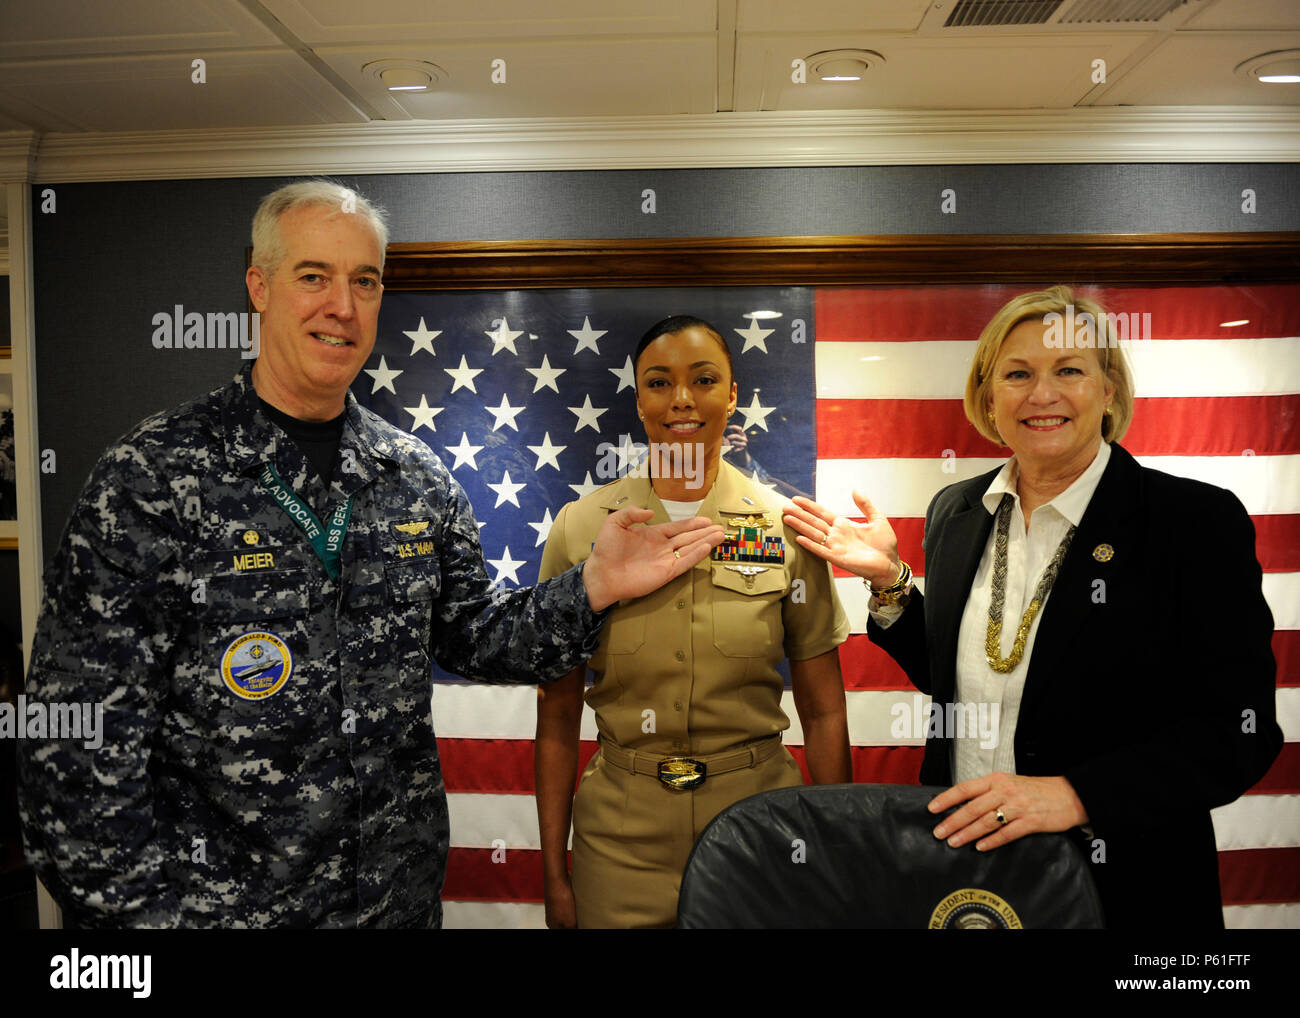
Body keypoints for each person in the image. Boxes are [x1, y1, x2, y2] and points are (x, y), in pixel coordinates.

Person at [16, 181, 724, 929]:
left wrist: (592, 587)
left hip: (394, 905)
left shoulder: (413, 476)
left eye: (365, 281)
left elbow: (475, 637)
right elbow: (74, 746)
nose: (343, 307)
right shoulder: (151, 476)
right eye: (313, 276)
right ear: (259, 287)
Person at [783, 285, 1282, 929]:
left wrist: (1078, 796)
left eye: (1068, 370)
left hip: (1124, 888)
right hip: (967, 882)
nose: (1041, 394)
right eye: (1017, 374)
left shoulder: (1192, 522)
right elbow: (962, 681)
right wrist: (890, 582)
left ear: (1108, 389)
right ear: (989, 397)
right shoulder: (957, 513)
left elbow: (1237, 733)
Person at [535, 315, 851, 929]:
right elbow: (557, 712)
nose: (681, 399)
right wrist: (554, 870)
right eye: (659, 382)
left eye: (703, 379)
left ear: (733, 395)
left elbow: (823, 709)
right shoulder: (582, 528)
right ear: (638, 399)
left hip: (758, 828)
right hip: (619, 844)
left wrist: (832, 842)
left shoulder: (784, 527)